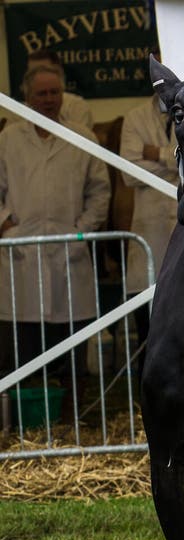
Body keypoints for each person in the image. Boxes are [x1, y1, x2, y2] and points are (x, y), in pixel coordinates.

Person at [0, 65, 110, 407]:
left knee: (72, 345)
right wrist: (6, 225)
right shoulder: (7, 139)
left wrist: (81, 230)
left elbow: (100, 191)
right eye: (41, 94)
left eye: (54, 93)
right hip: (20, 254)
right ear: (26, 98)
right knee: (17, 347)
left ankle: (72, 417)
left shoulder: (82, 137)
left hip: (69, 254)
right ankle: (16, 419)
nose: (49, 100)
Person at [119, 75, 179, 374]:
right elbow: (129, 173)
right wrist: (175, 161)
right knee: (147, 326)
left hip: (182, 229)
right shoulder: (135, 118)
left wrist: (154, 153)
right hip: (150, 229)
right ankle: (146, 393)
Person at [25, 49, 94, 130]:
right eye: (32, 72)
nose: (36, 76)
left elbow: (78, 137)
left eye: (43, 70)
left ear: (58, 71)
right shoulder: (20, 110)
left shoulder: (76, 107)